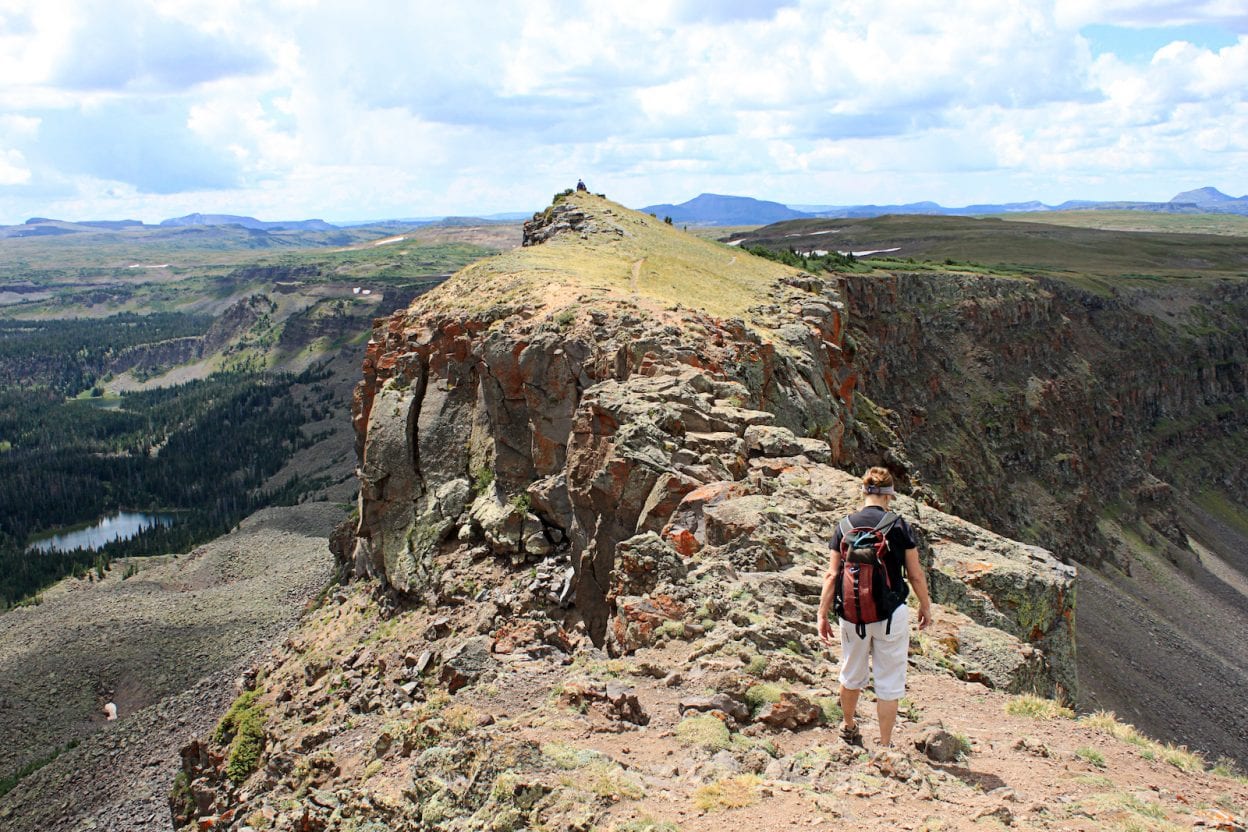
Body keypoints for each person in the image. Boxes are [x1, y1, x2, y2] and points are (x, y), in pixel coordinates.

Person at [817, 466, 932, 749]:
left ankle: (848, 726)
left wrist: (822, 613)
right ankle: (884, 746)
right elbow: (915, 574)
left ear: (863, 491)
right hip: (891, 615)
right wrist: (925, 606)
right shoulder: (899, 526)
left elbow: (832, 575)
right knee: (889, 682)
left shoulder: (844, 526)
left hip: (852, 615)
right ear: (889, 494)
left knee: (851, 673)